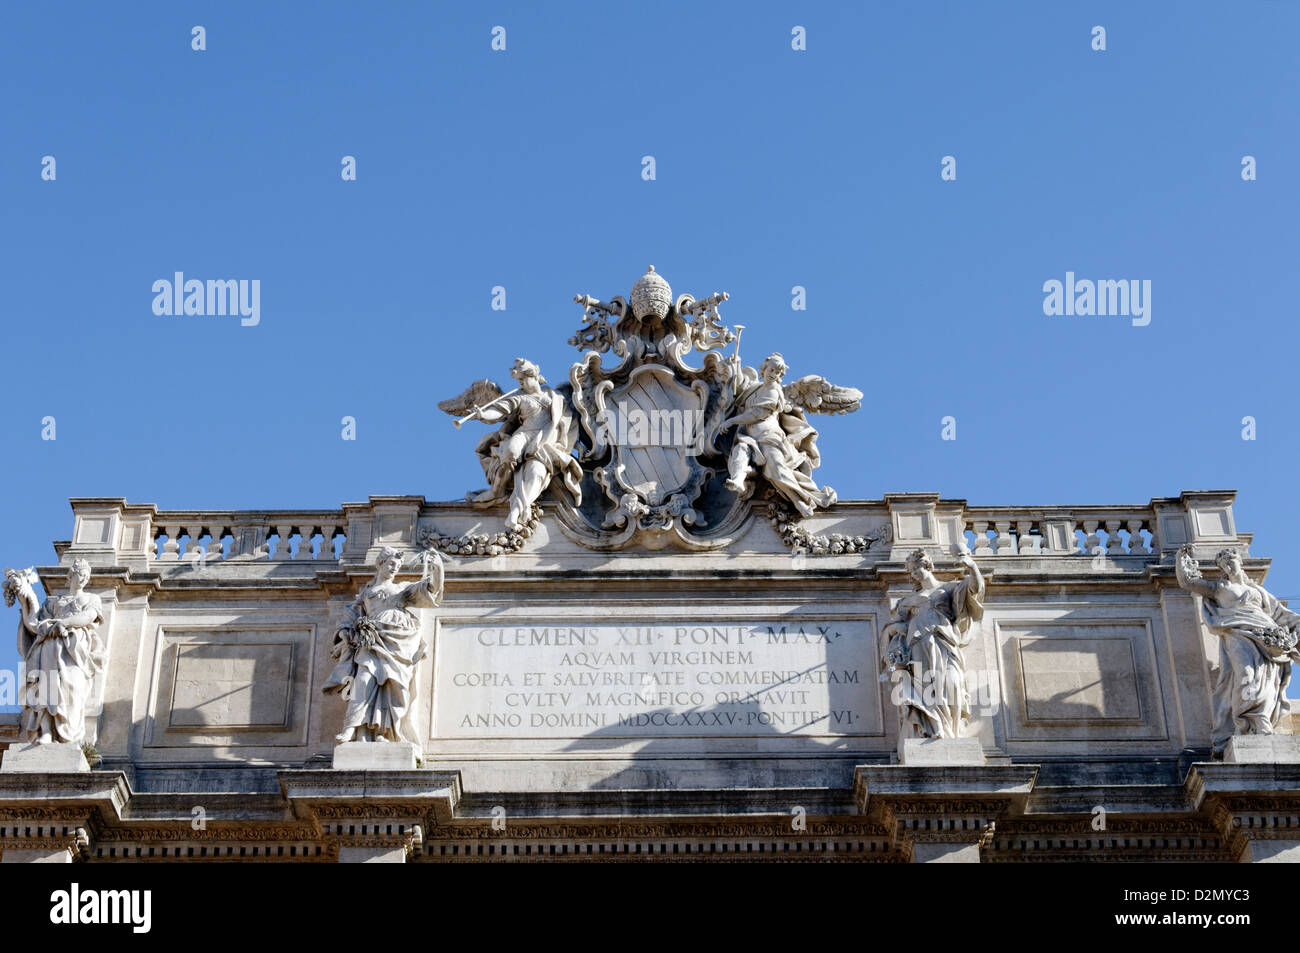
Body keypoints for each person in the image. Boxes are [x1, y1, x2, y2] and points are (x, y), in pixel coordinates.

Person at [1175, 545, 1300, 756]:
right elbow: (1188, 582)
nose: (1229, 565)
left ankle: (1262, 725)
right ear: (1222, 569)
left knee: (1266, 681)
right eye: (1224, 564)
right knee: (1246, 676)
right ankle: (1246, 724)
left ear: (1239, 563)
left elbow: (1282, 615)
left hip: (1266, 635)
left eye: (1231, 561)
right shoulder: (1219, 588)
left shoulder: (1258, 591)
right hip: (1237, 633)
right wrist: (1180, 559)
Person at [323, 546, 442, 743]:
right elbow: (350, 615)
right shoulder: (366, 593)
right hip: (371, 641)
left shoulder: (401, 588)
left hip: (397, 644)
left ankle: (384, 731)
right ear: (380, 564)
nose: (395, 568)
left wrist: (436, 568)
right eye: (391, 564)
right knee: (362, 681)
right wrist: (345, 632)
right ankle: (352, 728)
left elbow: (430, 589)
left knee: (394, 686)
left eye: (398, 565)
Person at [465, 358, 582, 531]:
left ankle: (518, 510)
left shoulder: (554, 396)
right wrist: (482, 414)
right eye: (519, 381)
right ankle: (497, 490)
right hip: (525, 433)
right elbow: (498, 411)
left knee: (536, 471)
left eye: (522, 379)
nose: (521, 383)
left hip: (544, 439)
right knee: (510, 452)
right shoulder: (519, 397)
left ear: (533, 376)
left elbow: (566, 419)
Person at [881, 549, 985, 740]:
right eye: (911, 571)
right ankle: (934, 728)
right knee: (926, 687)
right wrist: (894, 630)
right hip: (918, 645)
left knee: (952, 683)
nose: (914, 574)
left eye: (916, 568)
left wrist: (971, 566)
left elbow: (975, 590)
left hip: (944, 642)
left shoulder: (949, 588)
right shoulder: (907, 601)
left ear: (928, 565)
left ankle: (952, 731)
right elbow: (897, 625)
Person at [721, 353, 835, 517]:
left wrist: (731, 422)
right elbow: (739, 388)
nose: (773, 374)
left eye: (777, 373)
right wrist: (736, 365)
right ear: (764, 368)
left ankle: (800, 500)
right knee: (740, 451)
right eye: (771, 370)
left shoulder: (774, 391)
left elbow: (756, 414)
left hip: (770, 437)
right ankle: (738, 480)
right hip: (750, 436)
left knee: (776, 471)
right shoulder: (756, 388)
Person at [11, 558, 105, 746]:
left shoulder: (92, 599)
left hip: (74, 650)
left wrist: (65, 623)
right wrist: (26, 598)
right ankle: (46, 732)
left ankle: (67, 734)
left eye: (86, 575)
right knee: (46, 688)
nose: (84, 578)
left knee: (71, 688)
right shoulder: (55, 602)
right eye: (80, 574)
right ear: (70, 576)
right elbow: (34, 624)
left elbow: (88, 616)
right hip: (49, 647)